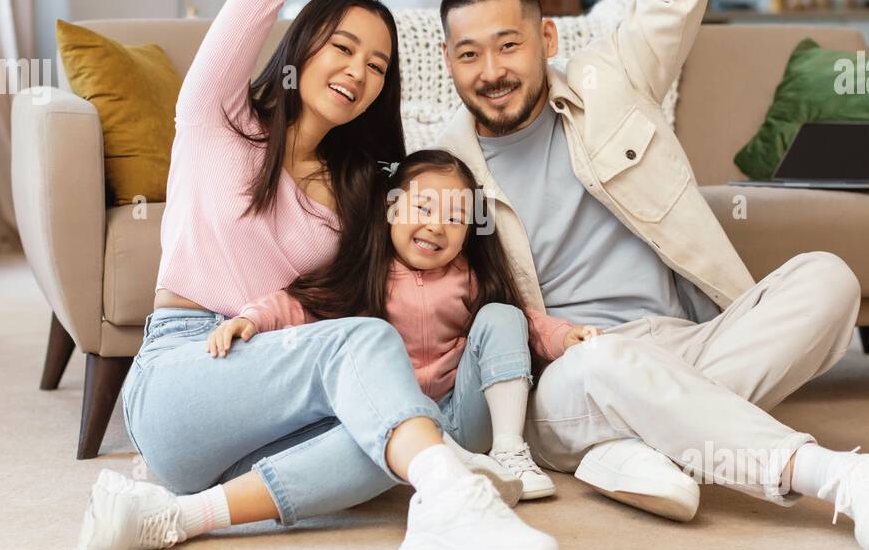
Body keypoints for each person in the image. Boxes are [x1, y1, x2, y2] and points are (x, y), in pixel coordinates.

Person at [435, 0, 869, 550]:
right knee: (608, 364)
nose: (490, 73)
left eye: (509, 45)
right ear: (449, 60)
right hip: (571, 376)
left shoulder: (609, 78)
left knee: (830, 278)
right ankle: (843, 477)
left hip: (688, 338)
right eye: (468, 55)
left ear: (547, 39)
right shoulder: (444, 168)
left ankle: (631, 453)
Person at [75, 0, 560, 550]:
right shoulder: (217, 118)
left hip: (280, 408)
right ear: (303, 45)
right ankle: (455, 499)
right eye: (343, 48)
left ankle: (175, 518)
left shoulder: (360, 189)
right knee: (373, 365)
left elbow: (427, 248)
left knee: (389, 428)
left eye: (377, 66)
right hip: (184, 372)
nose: (359, 73)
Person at [213, 149, 600, 500]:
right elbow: (298, 305)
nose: (436, 226)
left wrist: (564, 336)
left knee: (503, 314)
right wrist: (250, 319)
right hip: (396, 425)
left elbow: (525, 325)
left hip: (464, 421)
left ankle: (509, 451)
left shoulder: (470, 279)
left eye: (454, 217)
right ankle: (441, 463)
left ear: (468, 234)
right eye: (423, 208)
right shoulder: (364, 276)